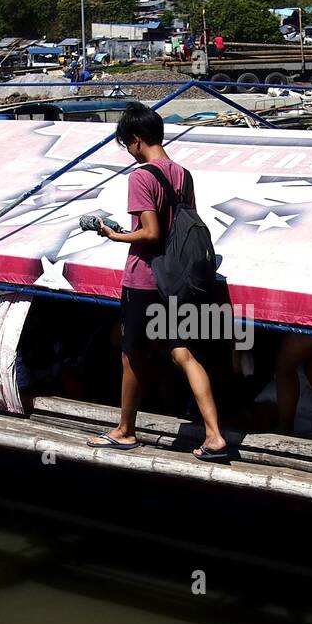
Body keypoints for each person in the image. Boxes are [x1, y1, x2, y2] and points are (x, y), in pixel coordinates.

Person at [87, 103, 229, 461]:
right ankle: (214, 436)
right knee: (182, 352)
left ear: (135, 141)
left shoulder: (141, 177)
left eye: (127, 146)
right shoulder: (183, 174)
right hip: (178, 280)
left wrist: (113, 235)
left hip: (146, 279)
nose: (129, 153)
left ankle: (125, 431)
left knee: (131, 355)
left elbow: (151, 233)